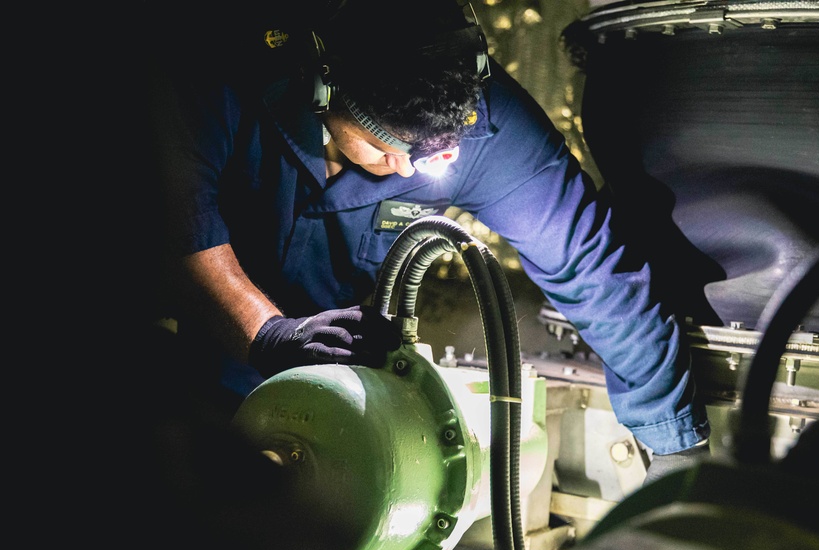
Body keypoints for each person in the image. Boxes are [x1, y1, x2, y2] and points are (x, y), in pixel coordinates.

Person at [146, 0, 710, 466]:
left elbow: (593, 271)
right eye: (385, 147)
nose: (406, 170)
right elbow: (178, 224)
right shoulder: (220, 71)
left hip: (318, 395)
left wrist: (674, 446)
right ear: (322, 87)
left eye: (430, 154)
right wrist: (266, 334)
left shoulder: (489, 123)